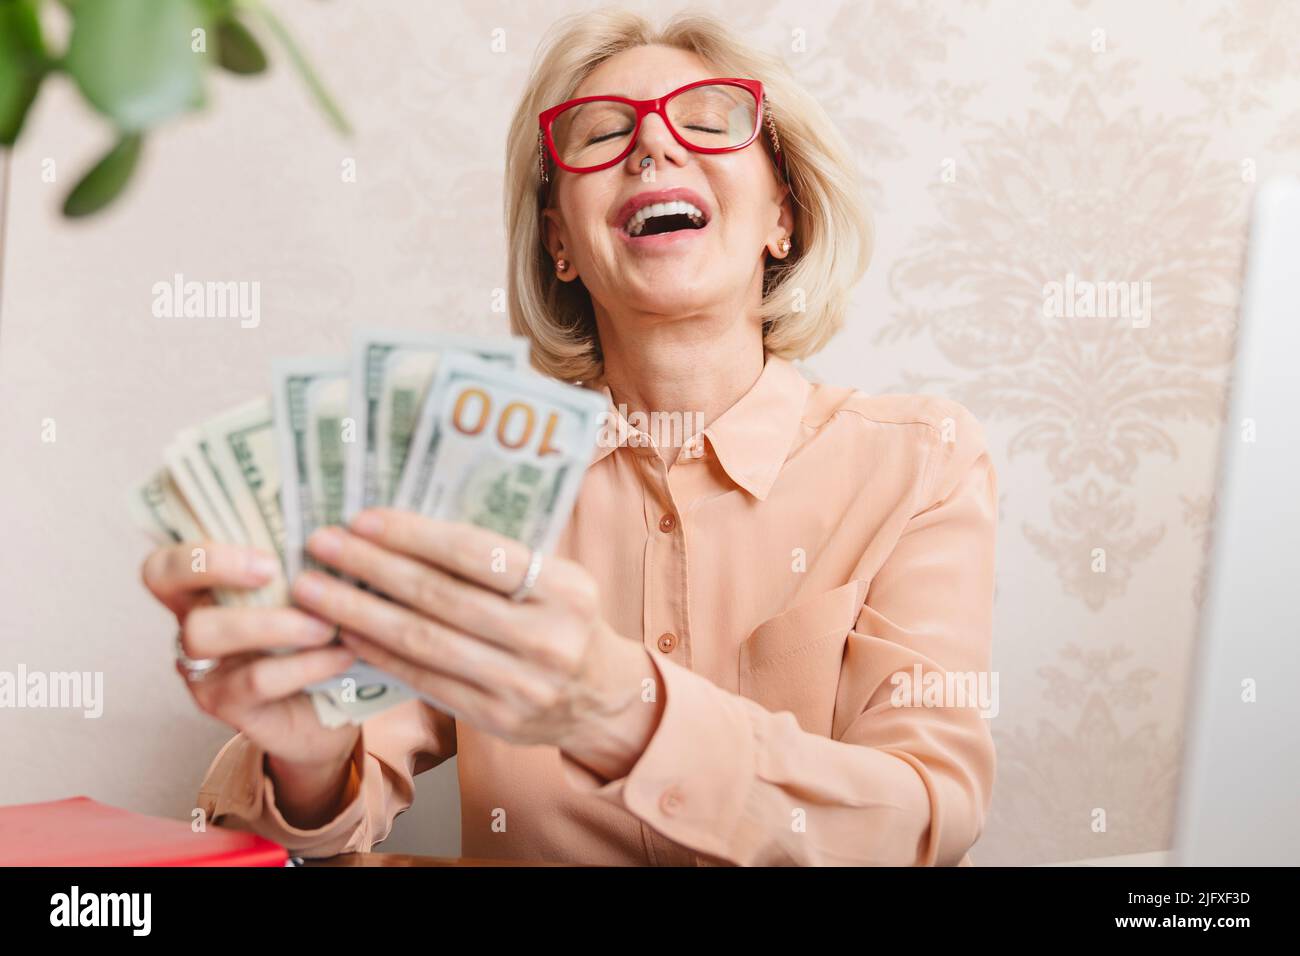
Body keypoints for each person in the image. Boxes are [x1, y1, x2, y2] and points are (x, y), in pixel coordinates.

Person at [142, 9, 997, 866]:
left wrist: (618, 708)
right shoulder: (468, 484)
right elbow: (317, 816)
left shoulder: (921, 463)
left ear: (785, 213)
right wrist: (311, 757)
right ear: (561, 244)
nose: (654, 149)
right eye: (602, 133)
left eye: (707, 121)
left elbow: (926, 818)